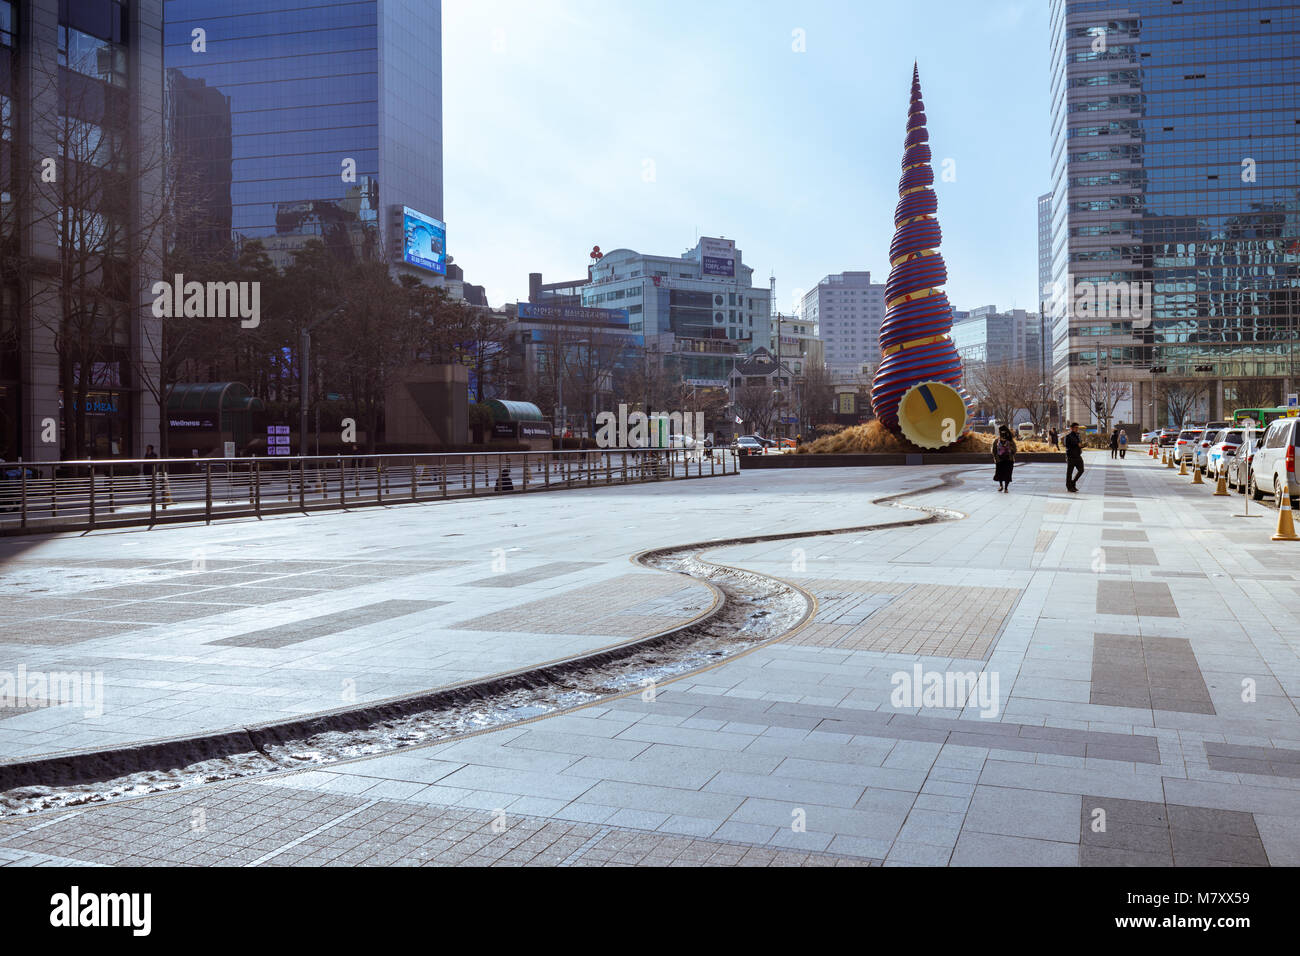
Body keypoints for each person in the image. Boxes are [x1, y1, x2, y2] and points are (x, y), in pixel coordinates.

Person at [992, 425, 1017, 493]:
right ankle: (1001, 485)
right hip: (1000, 460)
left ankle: (1006, 488)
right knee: (1000, 474)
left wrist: (1009, 450)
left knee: (1007, 474)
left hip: (1008, 460)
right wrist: (996, 458)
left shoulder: (1010, 441)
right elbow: (994, 450)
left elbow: (1014, 450)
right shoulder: (997, 441)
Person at [1065, 422, 1084, 492]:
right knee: (1069, 473)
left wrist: (1082, 445)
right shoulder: (1068, 436)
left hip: (1078, 455)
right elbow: (1067, 446)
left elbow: (1080, 443)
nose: (1077, 429)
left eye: (1077, 427)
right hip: (1071, 456)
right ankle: (1069, 486)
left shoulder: (1078, 435)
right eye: (1075, 427)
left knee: (1081, 470)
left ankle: (1073, 482)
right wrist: (1076, 444)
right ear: (1071, 428)